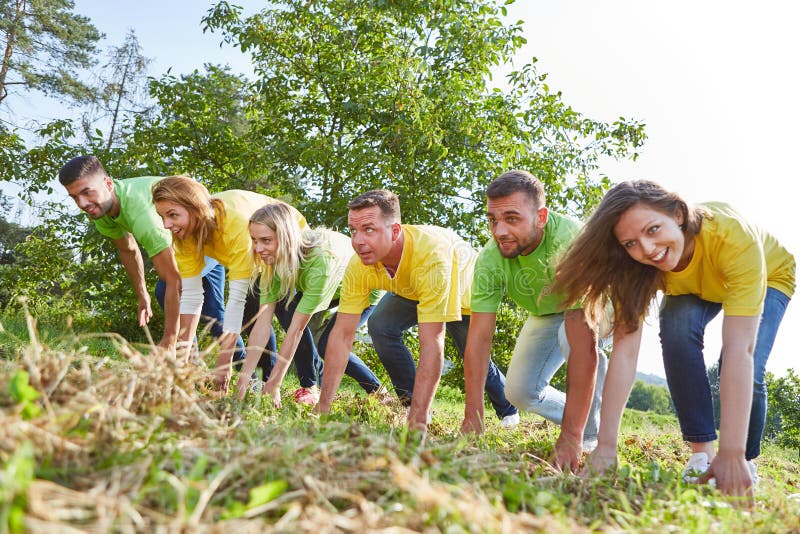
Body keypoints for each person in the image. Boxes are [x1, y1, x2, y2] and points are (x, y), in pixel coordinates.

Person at [553, 179, 795, 497]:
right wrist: (606, 446)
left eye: (653, 229)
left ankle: (742, 461)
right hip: (694, 286)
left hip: (771, 275)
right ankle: (702, 454)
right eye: (630, 243)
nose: (647, 249)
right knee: (676, 330)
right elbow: (626, 352)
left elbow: (740, 350)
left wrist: (732, 451)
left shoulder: (732, 238)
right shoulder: (640, 266)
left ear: (678, 214)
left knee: (741, 366)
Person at [315, 189, 518, 430]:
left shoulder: (430, 256)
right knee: (381, 325)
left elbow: (431, 343)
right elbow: (341, 336)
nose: (358, 241)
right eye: (353, 230)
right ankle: (412, 401)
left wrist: (418, 424)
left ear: (395, 231)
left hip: (465, 291)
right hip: (415, 288)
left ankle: (508, 409)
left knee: (472, 355)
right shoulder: (359, 264)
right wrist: (322, 408)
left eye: (369, 230)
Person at [459, 170, 607, 470]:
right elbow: (479, 338)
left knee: (573, 341)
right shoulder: (490, 259)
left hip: (599, 304)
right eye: (492, 220)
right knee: (519, 392)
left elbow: (582, 343)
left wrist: (570, 437)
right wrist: (473, 413)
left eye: (512, 218)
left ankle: (589, 434)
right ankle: (582, 415)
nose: (499, 231)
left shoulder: (569, 242)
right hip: (546, 312)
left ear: (541, 217)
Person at [151, 176, 320, 401]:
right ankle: (260, 380)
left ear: (195, 209)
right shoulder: (183, 236)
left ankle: (310, 384)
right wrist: (181, 363)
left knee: (288, 312)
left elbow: (236, 300)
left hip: (283, 236)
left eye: (172, 215)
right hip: (250, 246)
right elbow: (191, 297)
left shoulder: (235, 226)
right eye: (162, 216)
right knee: (252, 313)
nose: (166, 225)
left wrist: (224, 364)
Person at [57, 155, 242, 356]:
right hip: (188, 241)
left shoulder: (142, 215)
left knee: (168, 289)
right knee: (213, 313)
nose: (82, 203)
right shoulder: (102, 210)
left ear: (108, 184)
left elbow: (175, 281)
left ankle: (186, 359)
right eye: (74, 197)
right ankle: (197, 367)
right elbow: (128, 249)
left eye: (87, 192)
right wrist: (142, 294)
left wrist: (170, 339)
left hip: (208, 233)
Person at [234, 202, 384, 403]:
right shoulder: (274, 262)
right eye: (254, 240)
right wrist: (243, 380)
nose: (258, 248)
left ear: (286, 238)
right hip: (333, 283)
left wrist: (274, 384)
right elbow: (262, 324)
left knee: (328, 345)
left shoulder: (320, 264)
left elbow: (296, 331)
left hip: (364, 286)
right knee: (290, 311)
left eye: (266, 240)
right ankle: (311, 386)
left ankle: (379, 392)